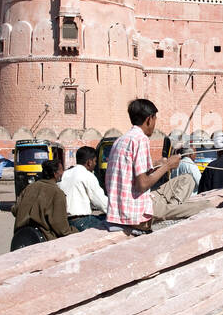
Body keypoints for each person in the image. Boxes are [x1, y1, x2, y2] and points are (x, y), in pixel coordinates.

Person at [105, 99, 212, 233]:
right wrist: (167, 166)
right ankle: (168, 212)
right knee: (207, 205)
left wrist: (156, 164)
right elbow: (142, 184)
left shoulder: (121, 140)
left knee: (186, 180)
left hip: (120, 209)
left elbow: (131, 173)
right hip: (136, 215)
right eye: (155, 119)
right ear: (149, 119)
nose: (155, 124)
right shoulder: (141, 140)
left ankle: (169, 209)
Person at [13, 158, 73, 240]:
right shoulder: (57, 193)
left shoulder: (30, 187)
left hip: (20, 236)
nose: (62, 173)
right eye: (61, 170)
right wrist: (74, 231)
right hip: (43, 239)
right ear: (55, 174)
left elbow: (15, 209)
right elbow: (61, 228)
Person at [59, 146, 108, 230]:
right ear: (89, 162)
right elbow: (100, 202)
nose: (95, 164)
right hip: (81, 221)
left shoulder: (65, 174)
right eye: (95, 161)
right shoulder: (87, 175)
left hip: (64, 221)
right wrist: (116, 213)